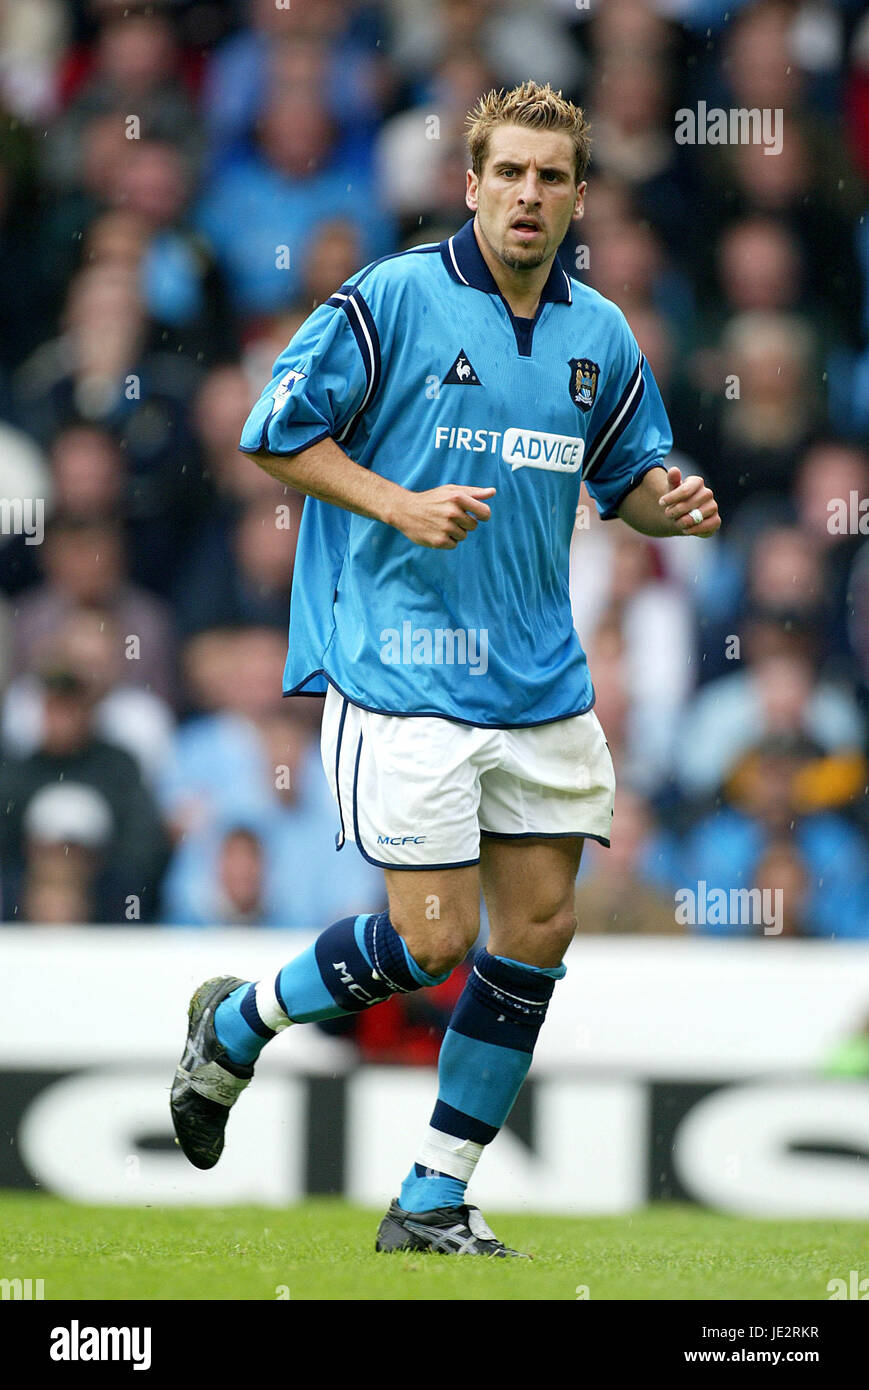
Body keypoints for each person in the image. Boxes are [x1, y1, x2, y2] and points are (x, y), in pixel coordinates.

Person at [170, 81, 721, 1257]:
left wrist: (668, 510)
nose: (528, 195)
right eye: (507, 173)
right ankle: (240, 1022)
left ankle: (433, 1193)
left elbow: (624, 480)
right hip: (400, 668)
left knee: (538, 928)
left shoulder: (601, 336)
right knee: (431, 941)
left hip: (539, 679)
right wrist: (397, 504)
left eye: (550, 177)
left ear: (576, 197)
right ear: (469, 184)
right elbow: (271, 428)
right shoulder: (392, 299)